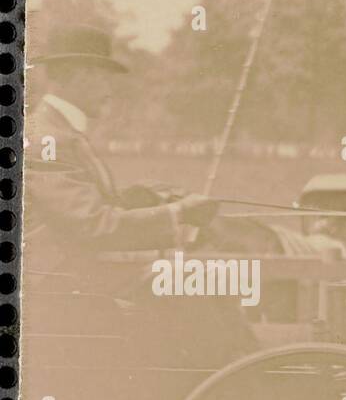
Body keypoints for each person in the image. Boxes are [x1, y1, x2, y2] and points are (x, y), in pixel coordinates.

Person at [24, 24, 220, 275]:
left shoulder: (58, 131)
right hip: (61, 284)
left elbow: (81, 209)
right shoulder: (47, 138)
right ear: (76, 74)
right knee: (199, 284)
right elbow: (92, 224)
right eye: (104, 77)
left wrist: (141, 198)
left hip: (76, 275)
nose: (111, 90)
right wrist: (178, 212)